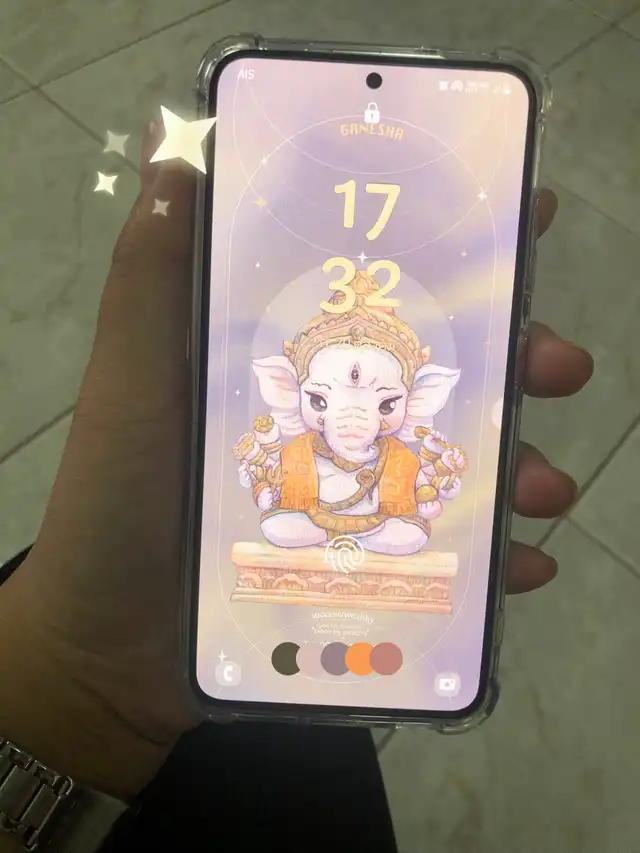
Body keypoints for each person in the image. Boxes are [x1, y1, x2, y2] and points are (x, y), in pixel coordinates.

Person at [0, 123, 593, 852]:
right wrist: (70, 684)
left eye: (384, 403)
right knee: (307, 703)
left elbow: (403, 521)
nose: (354, 417)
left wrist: (69, 694)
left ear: (415, 401)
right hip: (243, 704)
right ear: (295, 393)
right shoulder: (297, 452)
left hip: (244, 690)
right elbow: (284, 515)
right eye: (324, 399)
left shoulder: (398, 457)